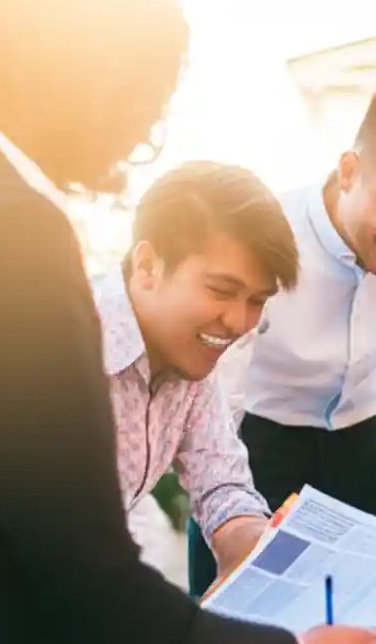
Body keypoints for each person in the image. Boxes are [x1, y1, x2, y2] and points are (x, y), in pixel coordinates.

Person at [0, 0, 376, 642]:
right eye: (152, 91)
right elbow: (86, 583)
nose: (146, 131)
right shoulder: (0, 226)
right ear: (85, 69)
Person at [189, 84, 376, 594]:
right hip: (254, 447)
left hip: (366, 449)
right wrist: (228, 512)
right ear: (349, 172)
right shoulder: (268, 234)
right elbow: (216, 398)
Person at [95, 160, 299, 586]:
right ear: (148, 265)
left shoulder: (191, 355)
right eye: (221, 291)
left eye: (257, 300)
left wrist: (252, 538)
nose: (239, 321)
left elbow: (221, 482)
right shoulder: (67, 345)